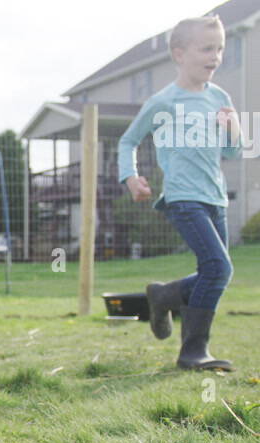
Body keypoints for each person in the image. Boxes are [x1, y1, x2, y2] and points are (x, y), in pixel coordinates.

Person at [118, 15, 242, 372]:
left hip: (215, 197)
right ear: (179, 54)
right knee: (218, 268)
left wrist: (233, 128)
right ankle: (193, 351)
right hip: (181, 197)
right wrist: (131, 177)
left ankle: (163, 295)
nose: (216, 56)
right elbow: (128, 140)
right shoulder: (163, 101)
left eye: (220, 48)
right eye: (207, 48)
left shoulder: (220, 96)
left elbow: (234, 151)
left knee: (215, 271)